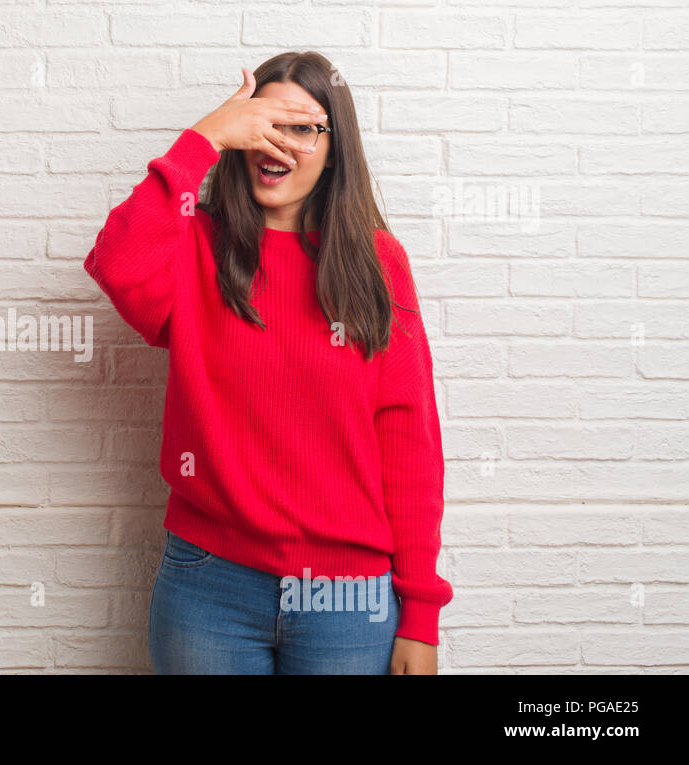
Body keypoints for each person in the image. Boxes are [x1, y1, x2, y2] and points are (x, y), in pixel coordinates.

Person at [83, 52, 453, 674]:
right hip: (209, 584)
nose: (276, 142)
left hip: (348, 599)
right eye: (262, 123)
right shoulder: (196, 247)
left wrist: (420, 612)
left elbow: (409, 440)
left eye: (302, 127)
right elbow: (116, 264)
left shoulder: (378, 264)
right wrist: (203, 138)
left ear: (334, 149)